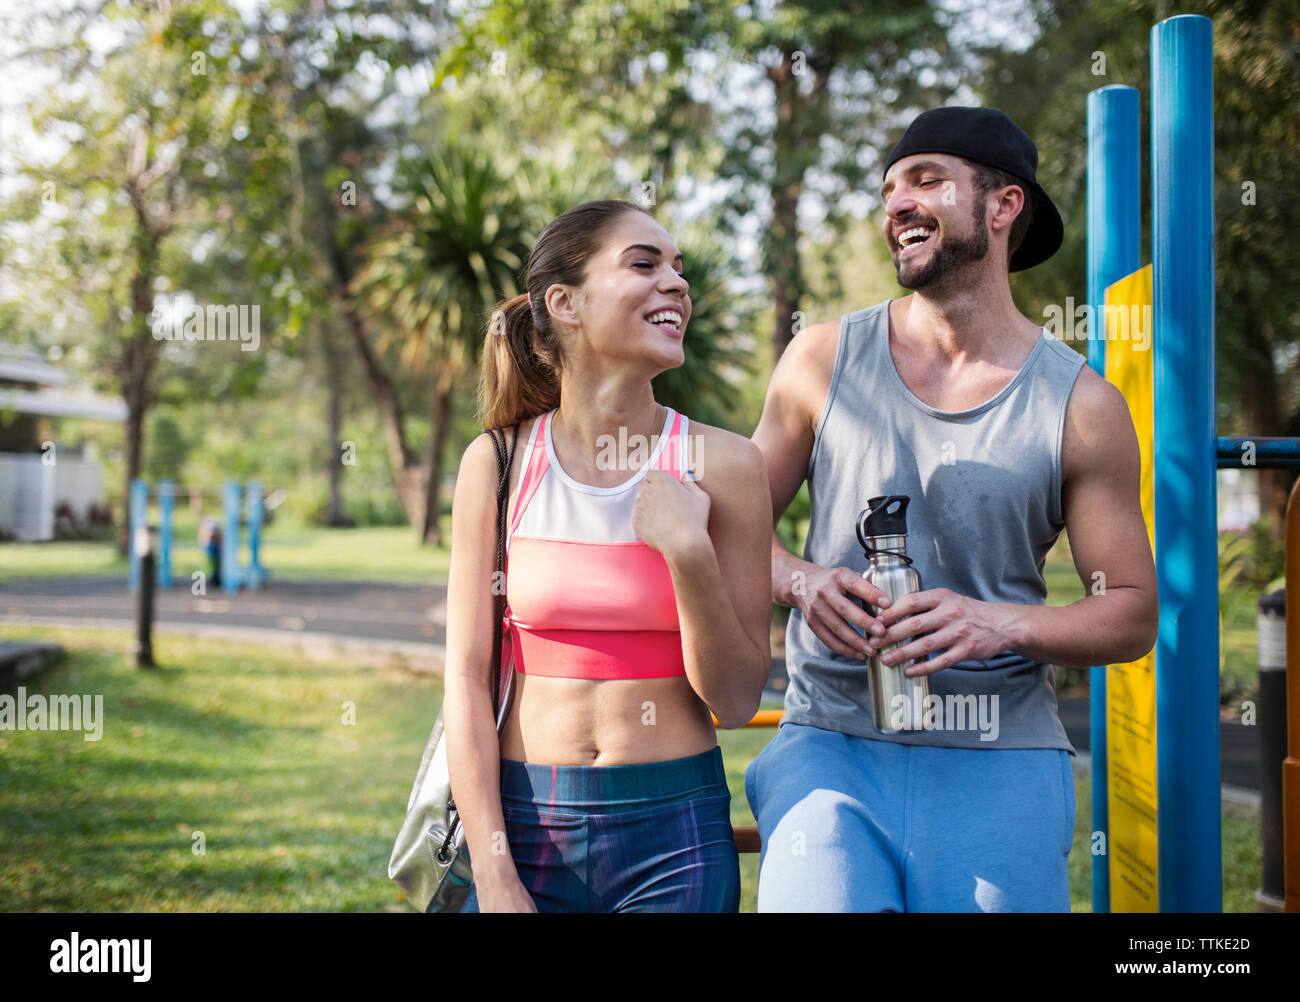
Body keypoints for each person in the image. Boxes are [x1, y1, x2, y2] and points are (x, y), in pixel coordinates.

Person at [746, 106, 1159, 912]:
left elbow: (1131, 612)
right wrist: (802, 582)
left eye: (927, 180)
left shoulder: (1082, 404)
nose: (897, 201)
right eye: (890, 187)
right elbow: (732, 531)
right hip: (832, 739)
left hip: (1001, 751)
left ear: (1004, 206)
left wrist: (993, 622)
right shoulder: (821, 359)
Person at [442, 199, 772, 913]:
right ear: (563, 302)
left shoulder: (728, 465)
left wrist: (690, 554)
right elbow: (466, 679)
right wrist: (495, 877)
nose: (677, 285)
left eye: (679, 270)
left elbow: (738, 699)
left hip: (677, 833)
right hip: (524, 827)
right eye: (644, 264)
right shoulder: (497, 464)